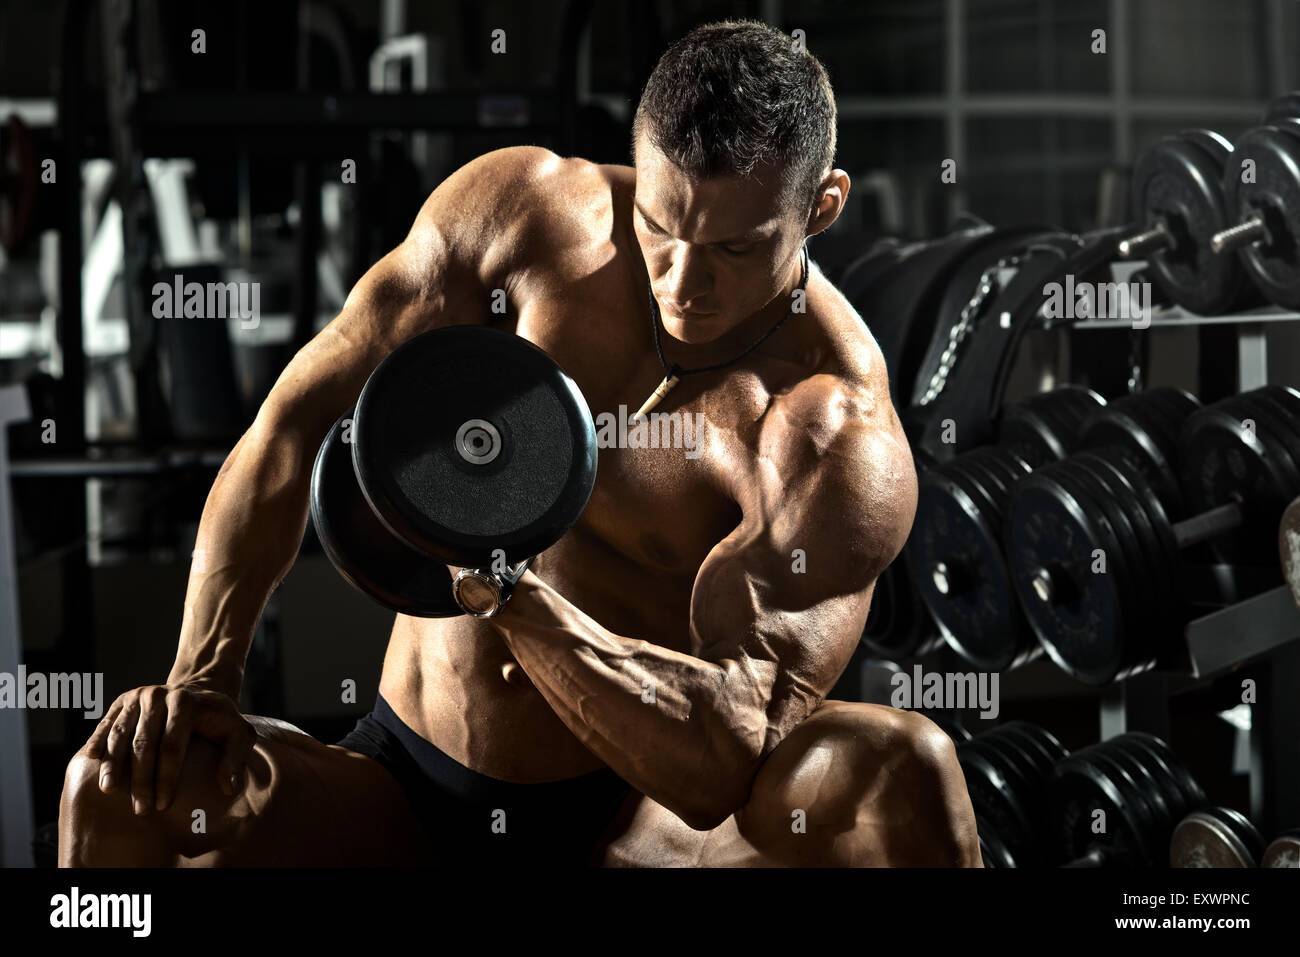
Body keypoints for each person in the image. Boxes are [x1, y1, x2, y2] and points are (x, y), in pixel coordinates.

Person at [60, 19, 980, 867]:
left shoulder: (827, 427)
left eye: (737, 249)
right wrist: (202, 678)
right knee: (117, 785)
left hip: (634, 822)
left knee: (902, 769)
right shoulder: (524, 216)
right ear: (636, 160)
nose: (685, 283)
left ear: (822, 207)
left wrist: (511, 597)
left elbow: (717, 760)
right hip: (402, 778)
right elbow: (292, 424)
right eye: (660, 227)